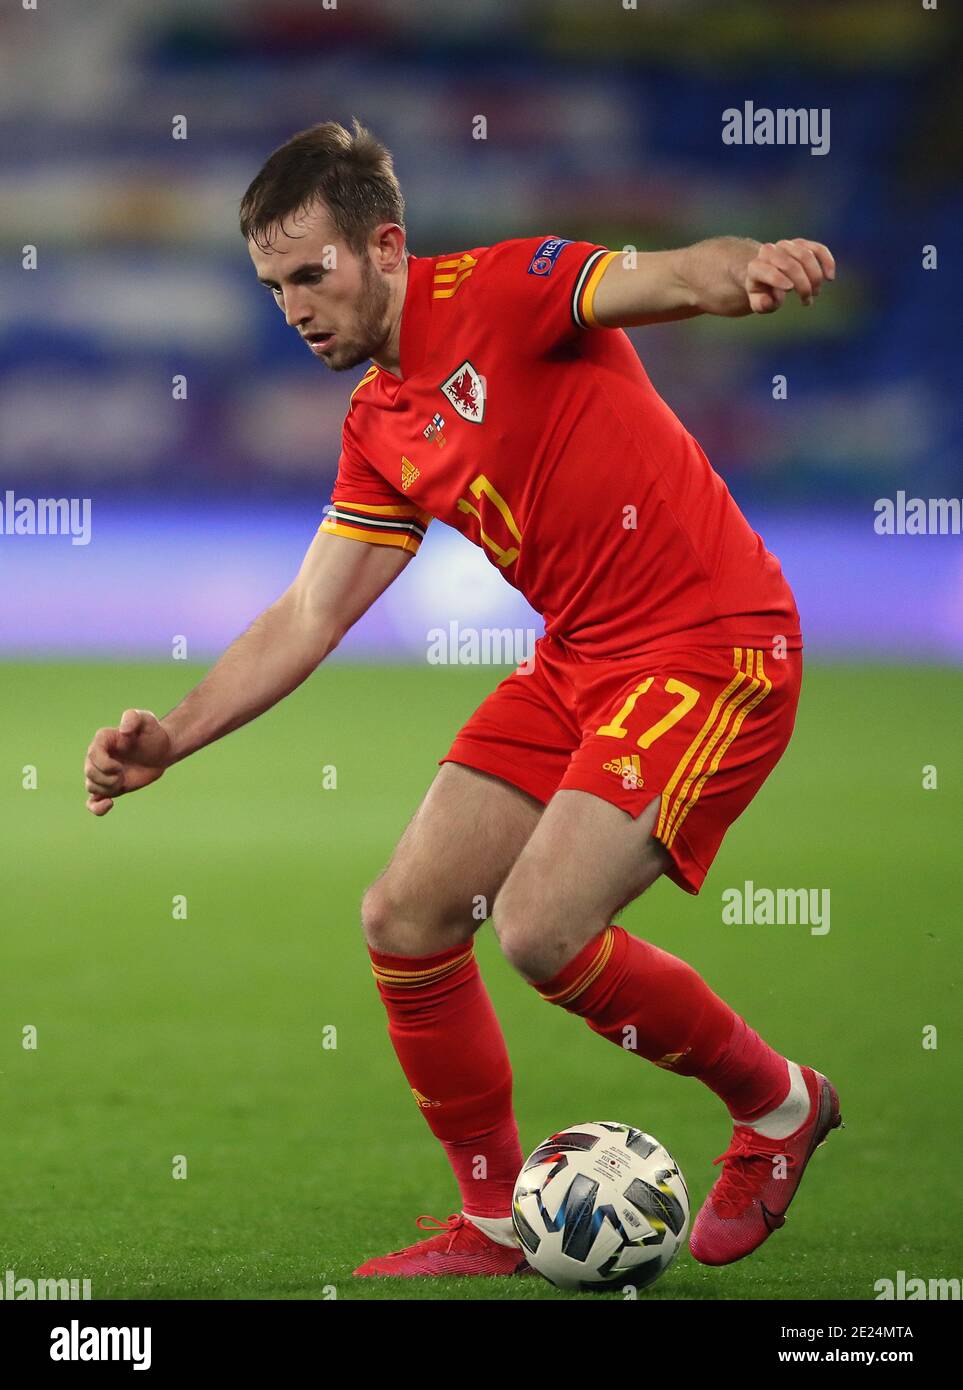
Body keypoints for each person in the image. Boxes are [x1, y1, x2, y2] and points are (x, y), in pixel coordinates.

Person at [84, 120, 840, 1277]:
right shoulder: (380, 423)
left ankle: (780, 1105)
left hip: (710, 646)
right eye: (274, 285)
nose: (293, 306)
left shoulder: (511, 286)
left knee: (540, 930)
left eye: (311, 272)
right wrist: (171, 739)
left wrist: (751, 268)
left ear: (384, 246)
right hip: (582, 658)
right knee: (406, 916)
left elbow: (671, 273)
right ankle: (494, 1219)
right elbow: (309, 616)